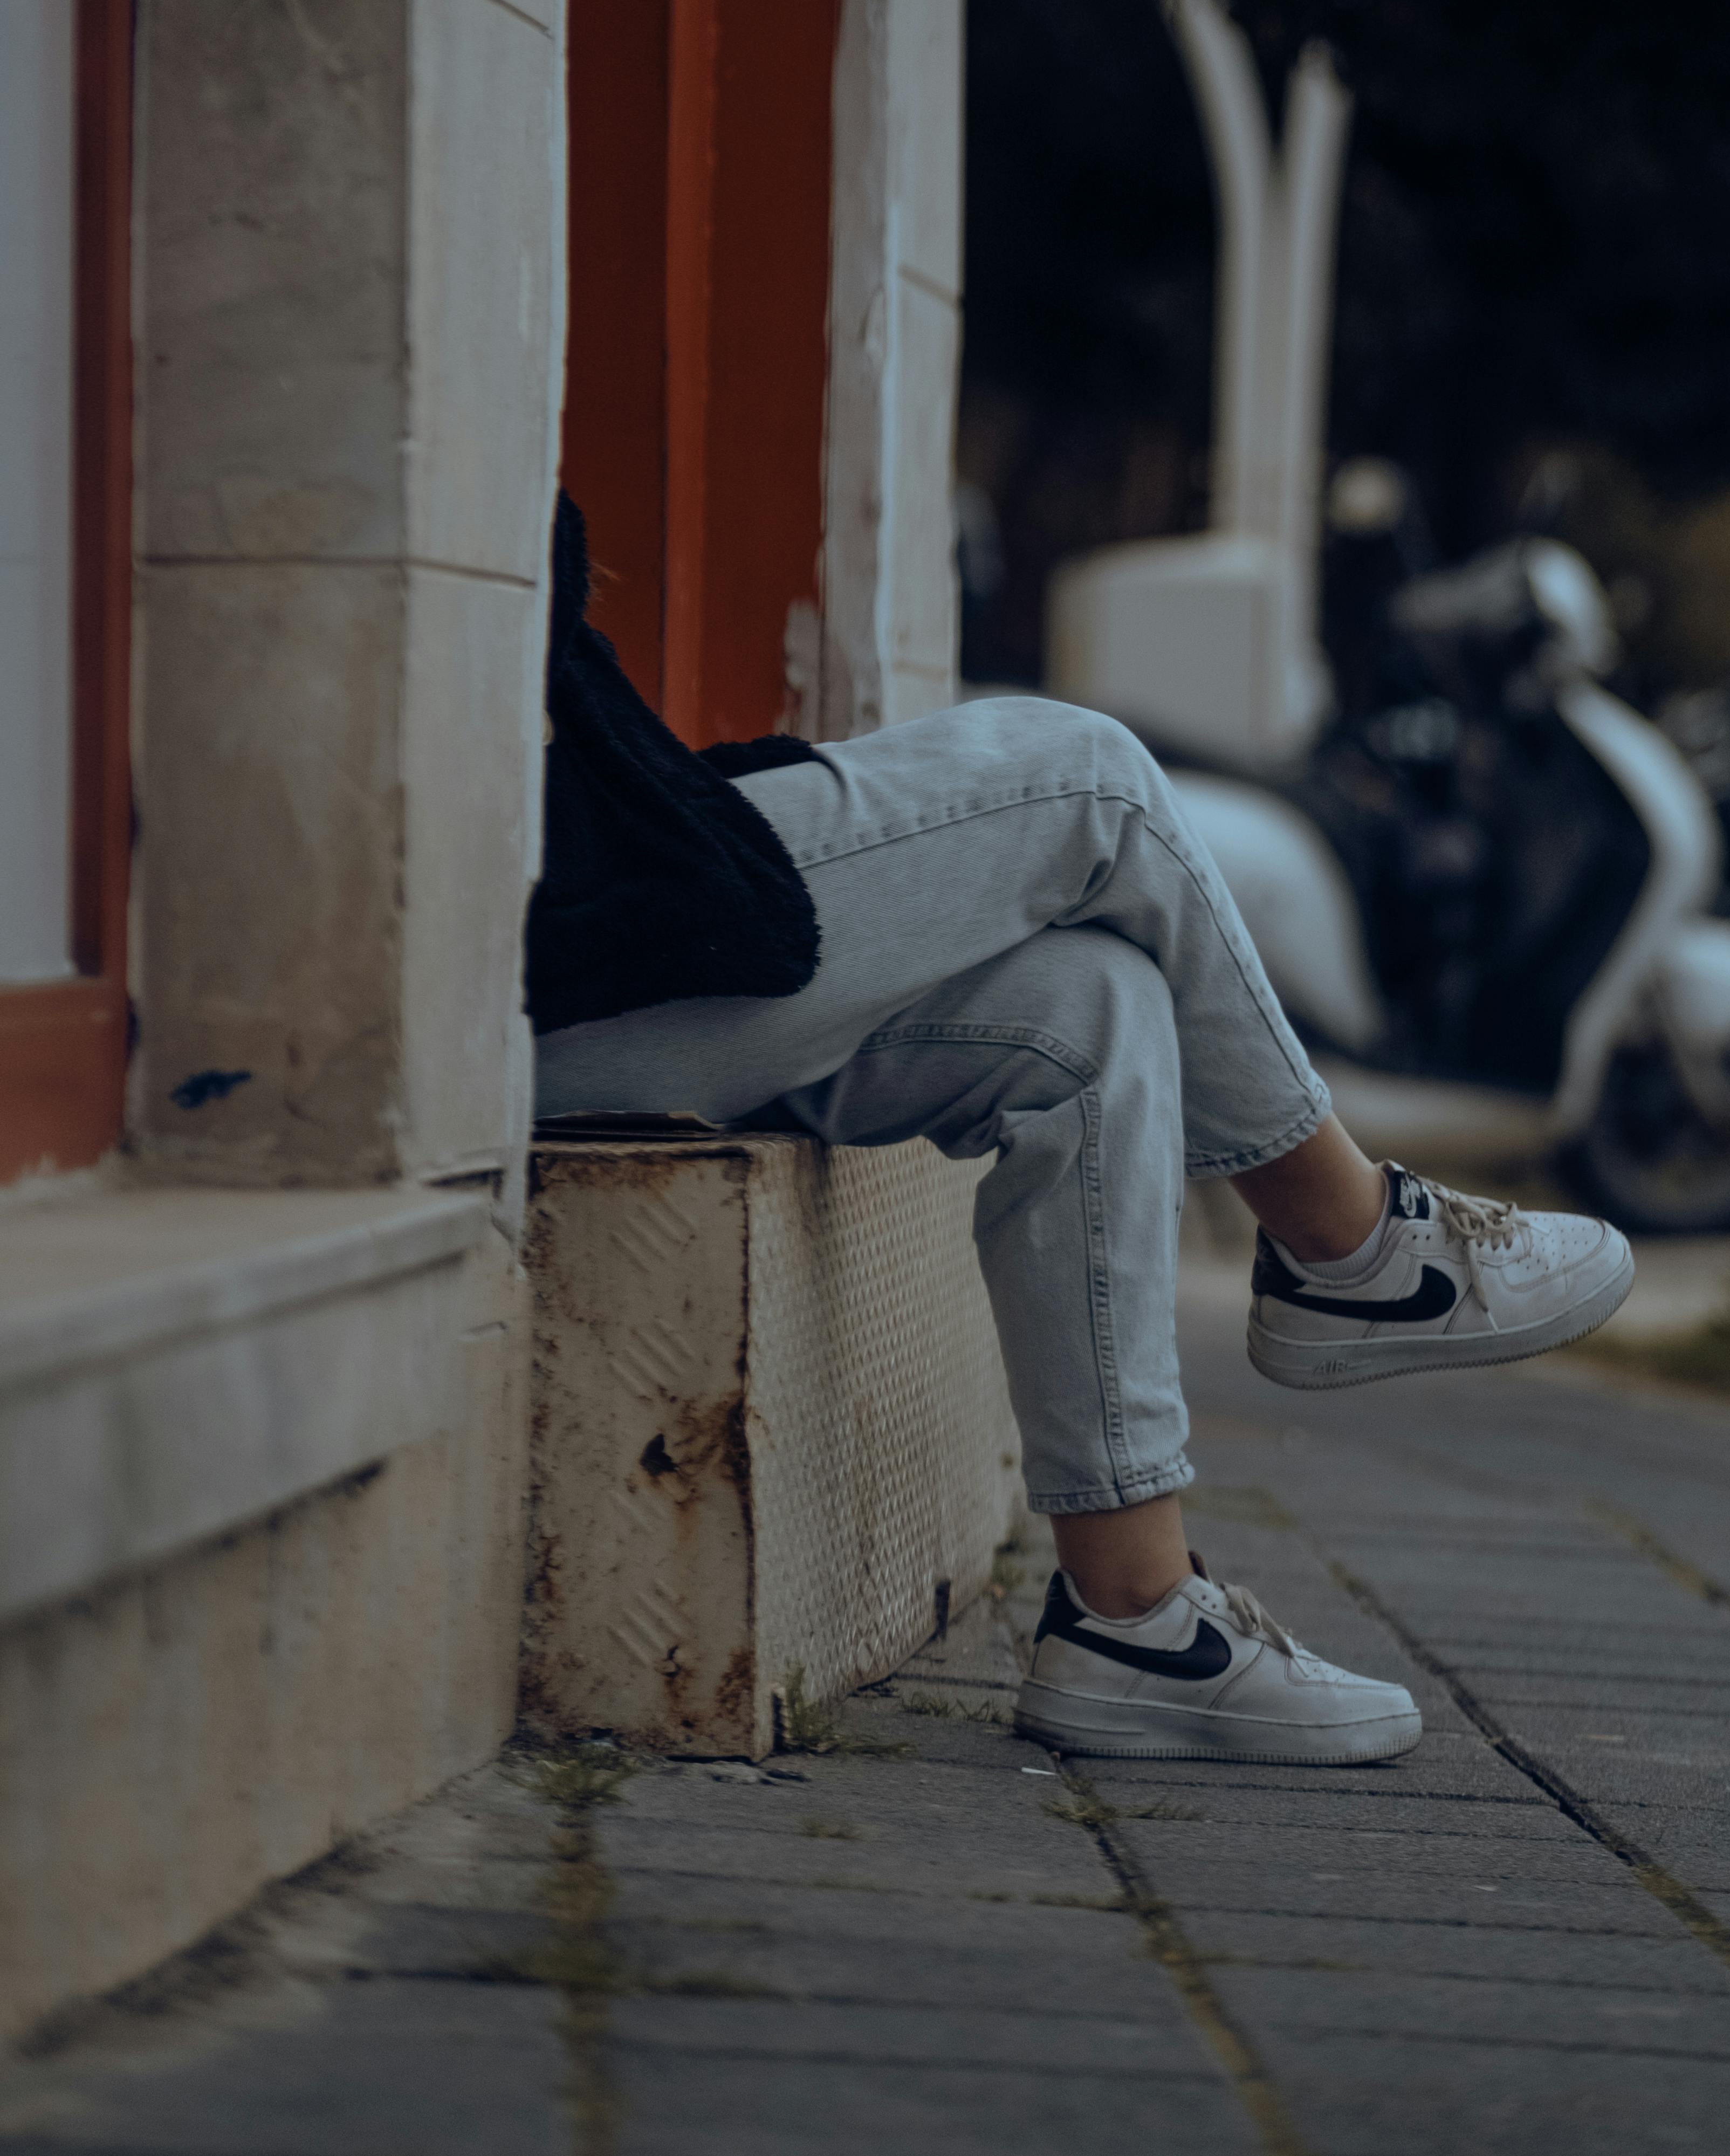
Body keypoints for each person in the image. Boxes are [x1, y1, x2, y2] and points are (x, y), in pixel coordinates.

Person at [529, 497, 1634, 1768]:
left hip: (597, 913)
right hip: (542, 966)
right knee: (1091, 773)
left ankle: (1133, 1619)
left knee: (1091, 1006)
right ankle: (1359, 1248)